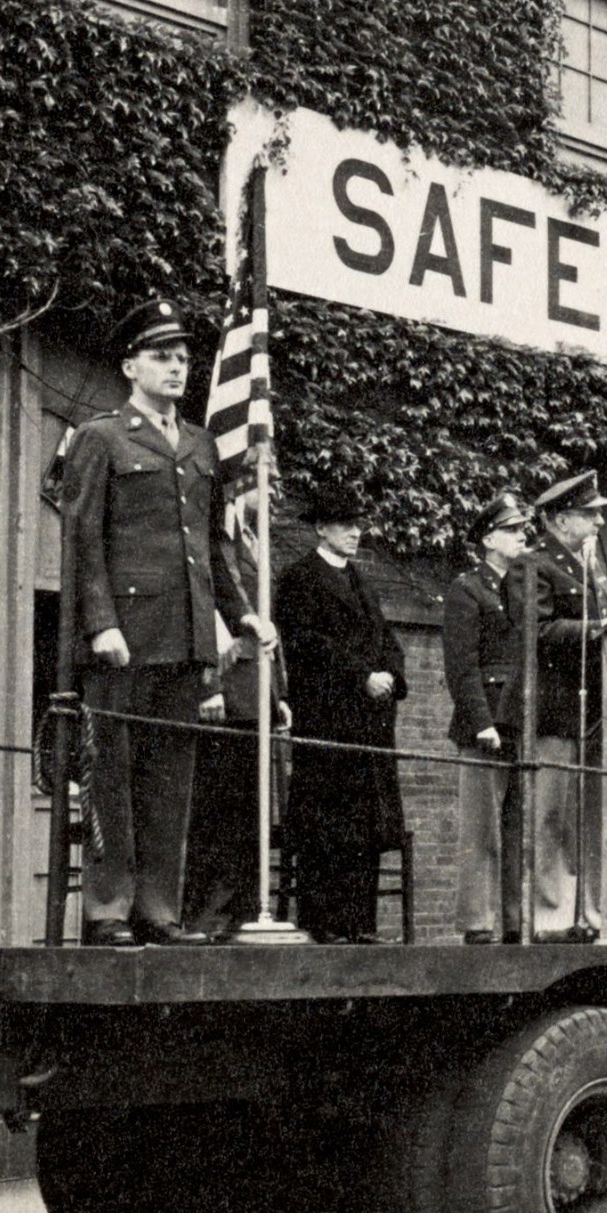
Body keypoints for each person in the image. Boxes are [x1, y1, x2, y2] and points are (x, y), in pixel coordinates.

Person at [61, 296, 271, 948]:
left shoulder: (202, 445)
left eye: (183, 358)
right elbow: (82, 539)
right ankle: (108, 911)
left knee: (170, 782)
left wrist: (242, 617)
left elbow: (212, 550)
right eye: (162, 357)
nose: (177, 368)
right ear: (131, 366)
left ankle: (158, 909)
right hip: (124, 637)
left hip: (183, 639)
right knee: (114, 777)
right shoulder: (101, 438)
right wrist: (101, 623)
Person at [278, 484, 408, 943]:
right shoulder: (299, 578)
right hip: (328, 718)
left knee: (364, 827)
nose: (356, 533)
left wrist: (392, 674)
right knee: (328, 824)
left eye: (358, 525)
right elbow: (307, 644)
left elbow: (385, 636)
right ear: (321, 529)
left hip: (369, 724)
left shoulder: (361, 580)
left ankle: (361, 924)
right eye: (345, 525)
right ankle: (324, 922)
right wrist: (360, 676)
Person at [502, 470, 607, 943]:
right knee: (543, 815)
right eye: (590, 516)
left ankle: (577, 915)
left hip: (585, 711)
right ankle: (539, 917)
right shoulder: (531, 565)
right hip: (546, 709)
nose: (598, 525)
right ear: (562, 519)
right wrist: (596, 630)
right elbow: (537, 631)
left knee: (576, 820)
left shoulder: (588, 567)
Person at [181, 535, 291, 939]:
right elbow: (207, 612)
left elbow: (267, 628)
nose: (267, 484)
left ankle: (241, 912)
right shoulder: (215, 542)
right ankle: (209, 915)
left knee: (248, 813)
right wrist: (209, 686)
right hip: (225, 692)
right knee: (215, 813)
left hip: (255, 696)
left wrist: (279, 694)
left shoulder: (255, 543)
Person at [443, 491, 530, 945]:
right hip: (485, 723)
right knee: (481, 829)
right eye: (513, 531)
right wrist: (481, 721)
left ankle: (514, 923)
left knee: (516, 828)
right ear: (489, 539)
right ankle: (478, 925)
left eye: (522, 530)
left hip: (520, 720)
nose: (522, 537)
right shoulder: (467, 588)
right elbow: (461, 664)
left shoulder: (524, 587)